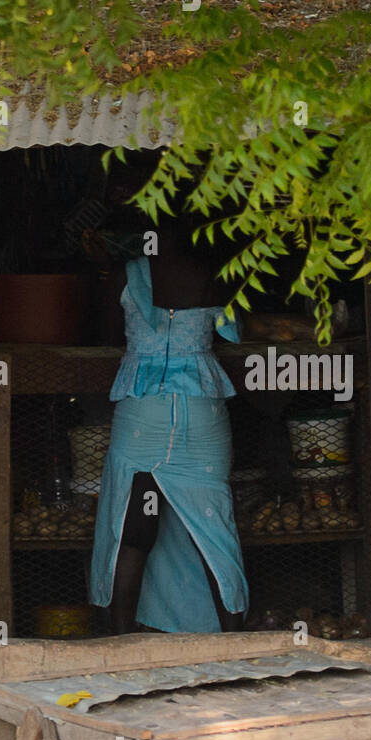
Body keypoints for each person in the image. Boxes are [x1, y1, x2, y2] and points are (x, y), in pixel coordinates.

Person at [88, 219, 249, 634]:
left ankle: (123, 638)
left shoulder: (127, 275)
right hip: (201, 411)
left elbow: (106, 336)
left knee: (135, 530)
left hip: (145, 410)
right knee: (213, 529)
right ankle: (233, 641)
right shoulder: (216, 277)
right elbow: (235, 333)